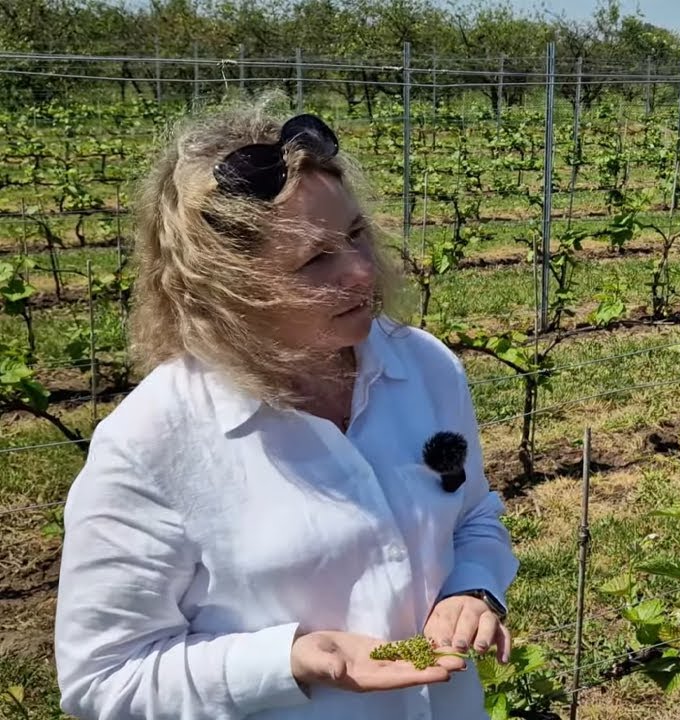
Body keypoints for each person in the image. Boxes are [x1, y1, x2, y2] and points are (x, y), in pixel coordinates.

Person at [53, 97, 519, 720]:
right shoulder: (152, 444)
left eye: (356, 235)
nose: (360, 271)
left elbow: (472, 515)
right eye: (315, 259)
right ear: (229, 289)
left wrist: (474, 587)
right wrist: (288, 661)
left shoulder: (424, 368)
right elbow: (105, 678)